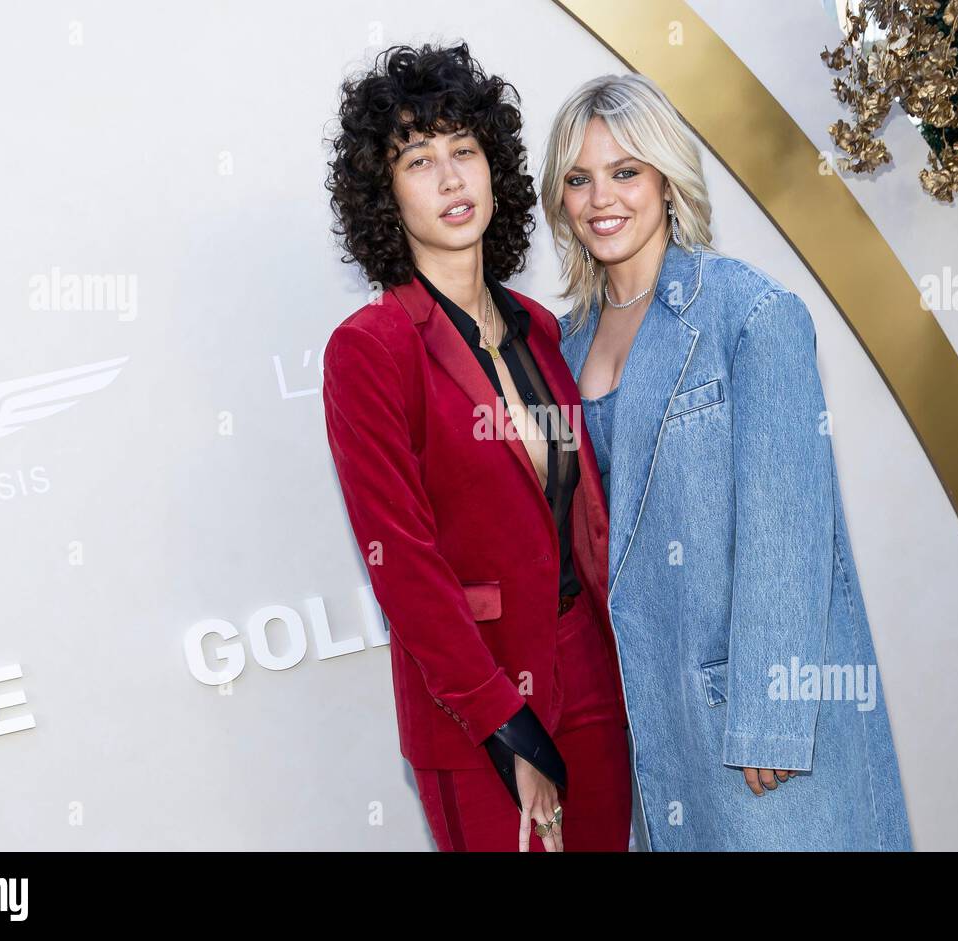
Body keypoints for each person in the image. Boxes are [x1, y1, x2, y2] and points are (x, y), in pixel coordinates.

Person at [538, 72, 913, 851]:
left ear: (667, 180)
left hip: (751, 718)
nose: (602, 198)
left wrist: (771, 717)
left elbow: (790, 527)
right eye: (579, 179)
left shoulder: (751, 314)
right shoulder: (562, 345)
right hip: (647, 714)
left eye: (625, 171)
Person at [322, 43, 632, 852]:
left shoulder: (541, 328)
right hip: (474, 704)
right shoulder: (373, 348)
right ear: (385, 196)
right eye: (419, 161)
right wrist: (509, 728)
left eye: (465, 151)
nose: (452, 178)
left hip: (592, 675)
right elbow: (406, 566)